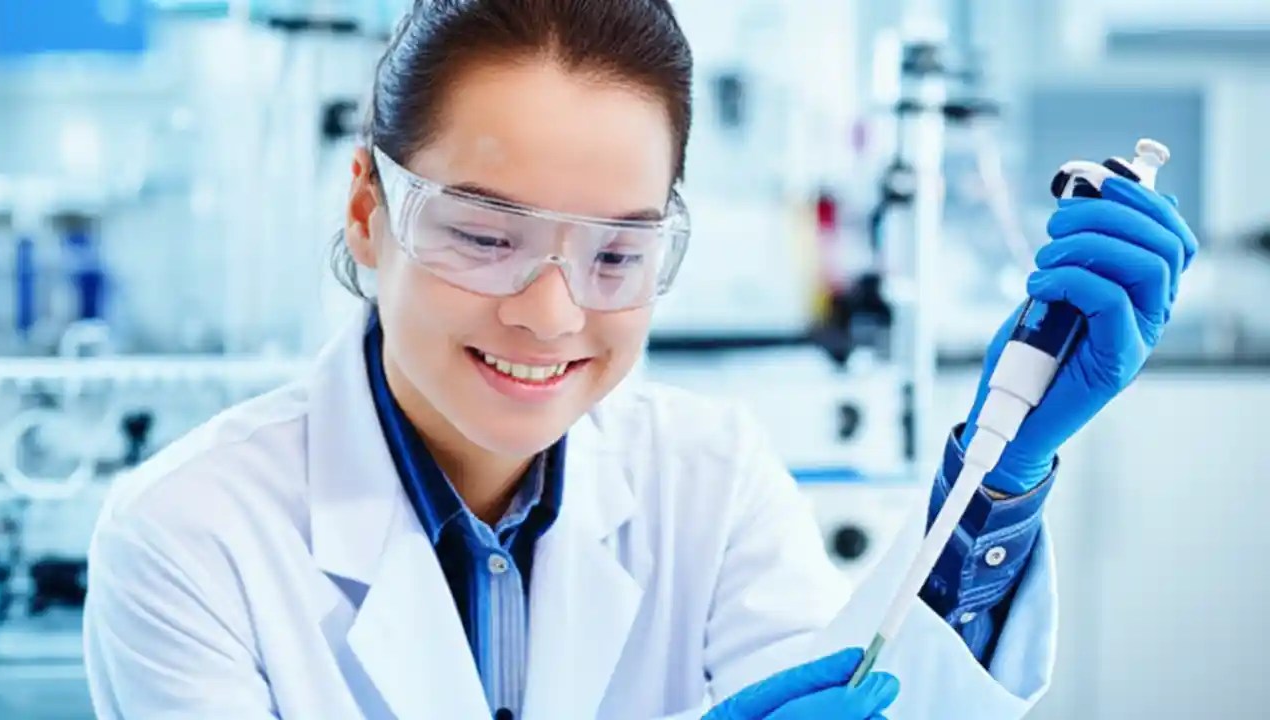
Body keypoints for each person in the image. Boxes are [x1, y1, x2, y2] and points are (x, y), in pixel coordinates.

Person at [81, 1, 1198, 718]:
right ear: (368, 209)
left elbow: (868, 698)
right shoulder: (190, 539)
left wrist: (993, 482)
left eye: (617, 250)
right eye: (483, 233)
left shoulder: (704, 478)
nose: (550, 313)